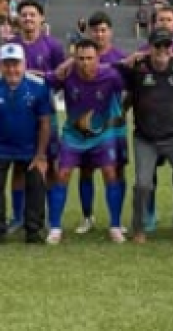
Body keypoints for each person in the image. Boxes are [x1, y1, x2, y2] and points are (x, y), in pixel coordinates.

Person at [116, 28, 173, 243]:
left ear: (172, 48)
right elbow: (107, 67)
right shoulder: (138, 68)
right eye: (157, 45)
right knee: (143, 184)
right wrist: (128, 60)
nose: (162, 50)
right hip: (145, 138)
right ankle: (139, 229)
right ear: (149, 47)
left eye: (166, 45)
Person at [44, 39, 127, 244]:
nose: (85, 63)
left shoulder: (111, 76)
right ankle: (55, 227)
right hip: (73, 135)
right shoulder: (67, 74)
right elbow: (47, 81)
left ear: (98, 58)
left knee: (110, 172)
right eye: (80, 58)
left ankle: (115, 225)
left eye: (89, 58)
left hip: (103, 134)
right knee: (62, 174)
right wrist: (61, 68)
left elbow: (132, 85)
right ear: (74, 58)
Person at [0, 44, 52, 244]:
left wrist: (41, 155)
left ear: (25, 64)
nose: (12, 70)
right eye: (6, 65)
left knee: (37, 181)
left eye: (16, 64)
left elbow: (44, 123)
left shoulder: (39, 86)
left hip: (30, 148)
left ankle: (33, 230)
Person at [5, 0, 66, 232]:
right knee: (19, 167)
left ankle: (52, 217)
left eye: (33, 15)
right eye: (24, 15)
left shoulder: (53, 46)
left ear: (42, 18)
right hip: (16, 115)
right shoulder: (10, 46)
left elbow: (61, 78)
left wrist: (37, 77)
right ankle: (18, 216)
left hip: (44, 114)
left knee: (50, 165)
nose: (28, 19)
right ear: (18, 19)